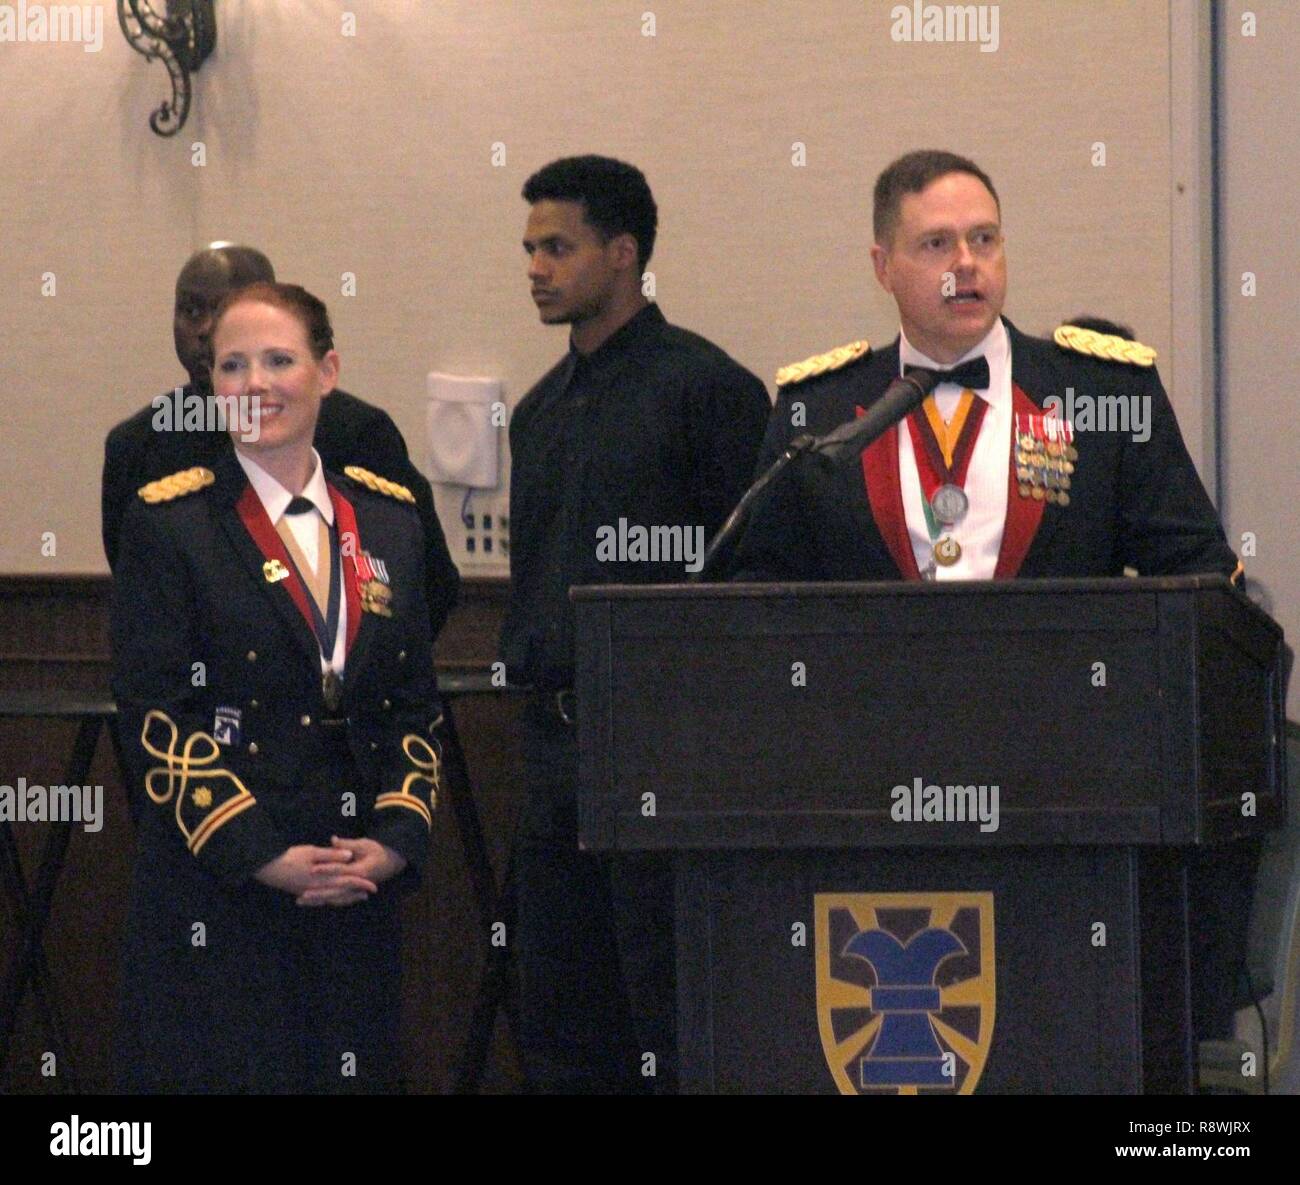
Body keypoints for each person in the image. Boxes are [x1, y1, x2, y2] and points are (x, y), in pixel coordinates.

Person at [732, 149, 1249, 1045]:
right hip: (870, 797)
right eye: (936, 243)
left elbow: (1200, 578)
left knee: (1053, 1033)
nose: (966, 263)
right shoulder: (820, 411)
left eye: (984, 239)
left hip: (1067, 792)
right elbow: (751, 602)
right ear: (883, 266)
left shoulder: (1102, 392)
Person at [111, 282, 443, 1093]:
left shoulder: (391, 519)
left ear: (327, 371)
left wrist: (395, 839)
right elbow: (156, 715)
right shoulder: (168, 523)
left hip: (353, 875)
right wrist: (263, 855)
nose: (255, 383)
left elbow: (412, 702)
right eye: (232, 365)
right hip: (221, 884)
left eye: (278, 359)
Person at [500, 155, 771, 1092]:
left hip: (672, 749)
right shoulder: (536, 413)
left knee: (672, 1007)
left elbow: (749, 585)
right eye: (530, 247)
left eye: (558, 246)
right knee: (563, 1020)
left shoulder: (710, 392)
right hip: (552, 750)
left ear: (623, 254)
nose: (536, 266)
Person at [102, 243, 460, 639]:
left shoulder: (352, 431)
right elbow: (139, 601)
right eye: (190, 311)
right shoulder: (140, 444)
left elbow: (426, 582)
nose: (204, 327)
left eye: (220, 310)